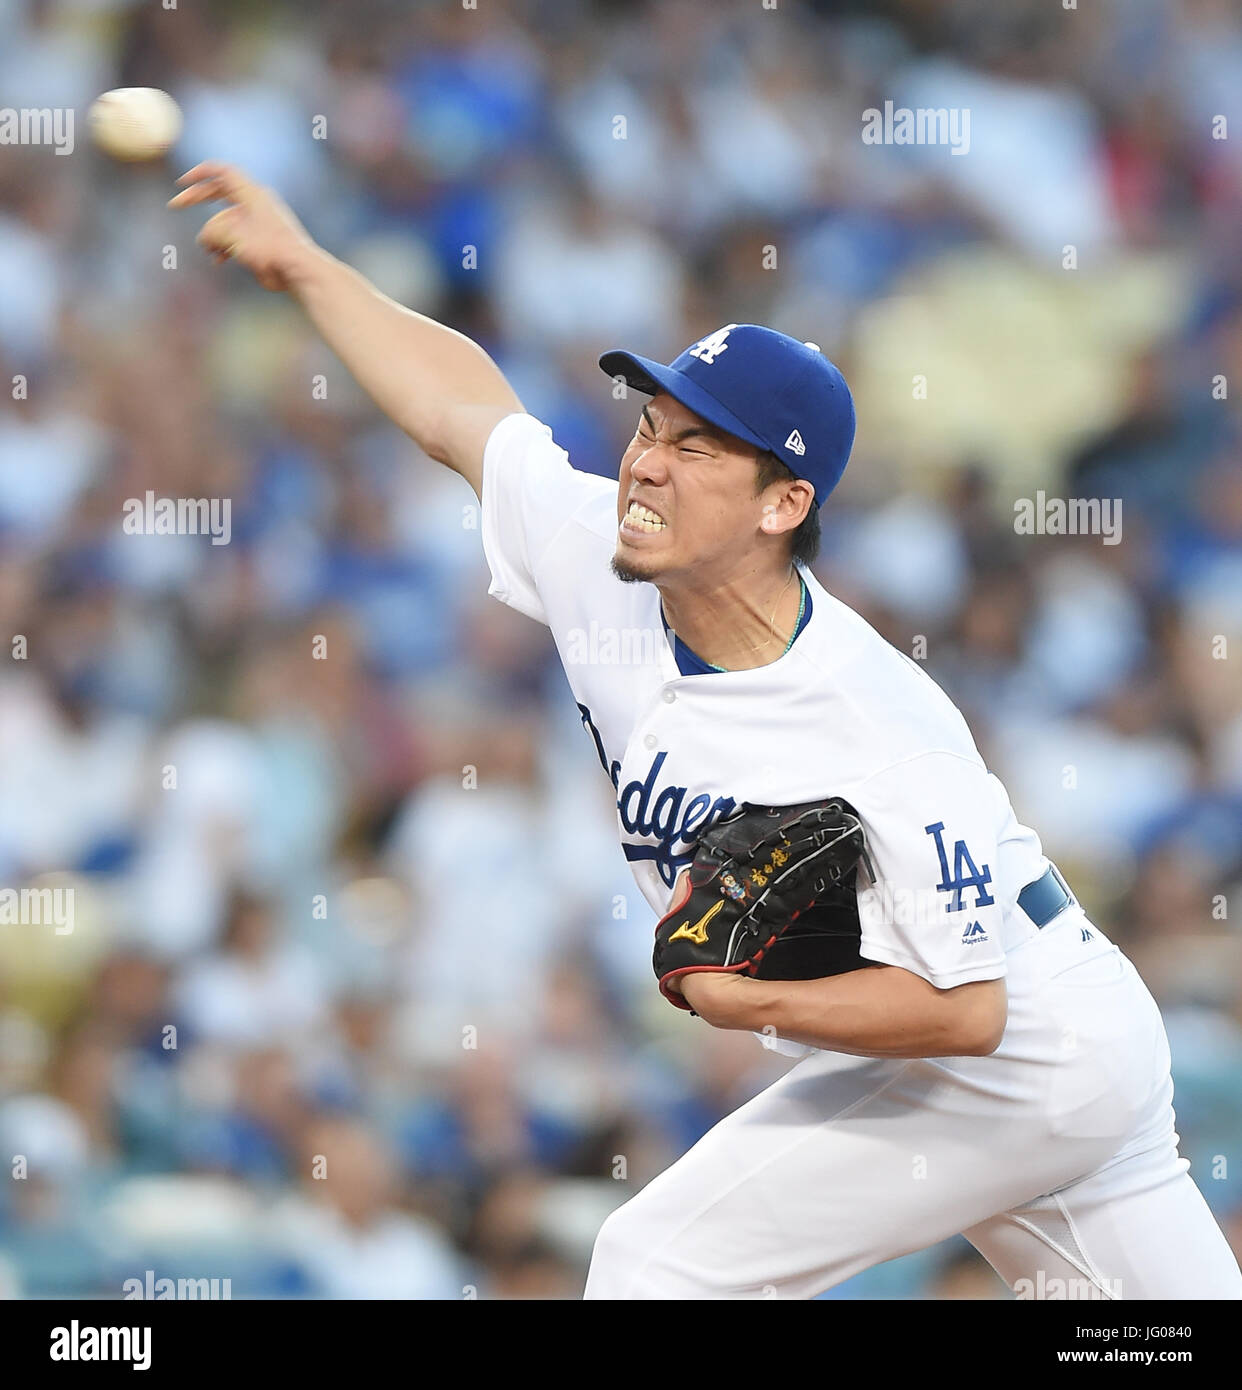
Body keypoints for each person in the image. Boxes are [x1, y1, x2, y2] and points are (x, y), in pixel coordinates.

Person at [171, 163, 1242, 1300]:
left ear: (784, 503)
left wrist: (750, 1003)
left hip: (1022, 1050)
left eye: (697, 447)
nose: (644, 460)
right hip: (1072, 1053)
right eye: (651, 422)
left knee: (657, 1265)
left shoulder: (875, 719)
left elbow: (970, 1011)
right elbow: (461, 411)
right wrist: (311, 267)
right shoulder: (603, 549)